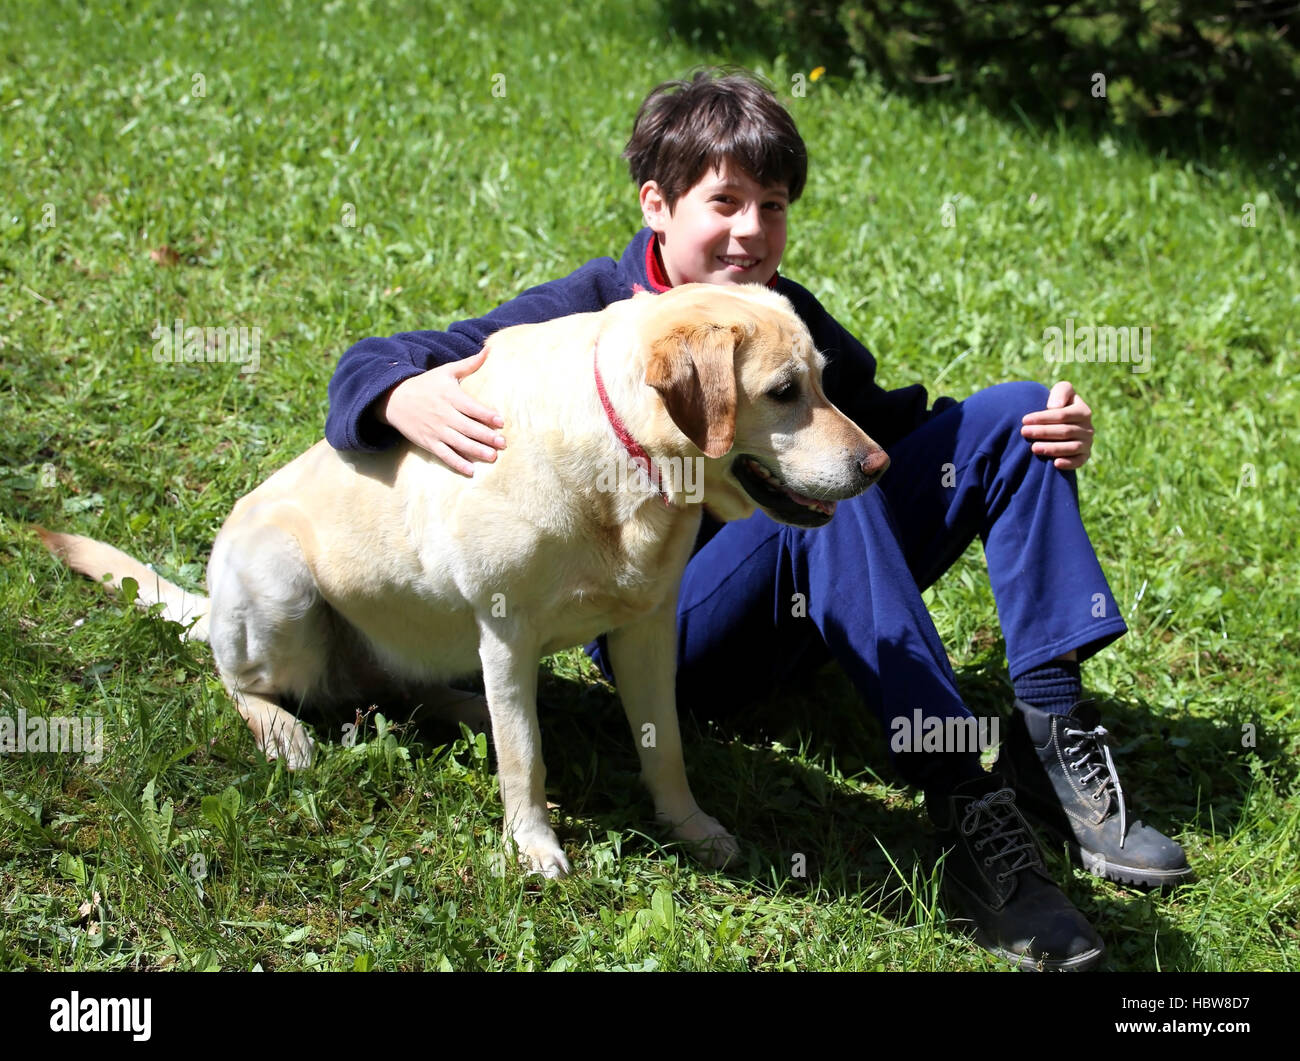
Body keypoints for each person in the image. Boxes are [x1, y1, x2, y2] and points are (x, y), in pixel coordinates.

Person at [324, 68, 1190, 970]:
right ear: (657, 204)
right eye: (723, 201)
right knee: (817, 509)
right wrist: (395, 392)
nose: (750, 231)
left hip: (794, 583)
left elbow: (881, 430)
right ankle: (968, 805)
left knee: (1013, 416)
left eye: (772, 206)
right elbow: (384, 355)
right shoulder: (587, 312)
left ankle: (1052, 741)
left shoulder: (782, 313)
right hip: (671, 635)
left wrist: (1027, 436)